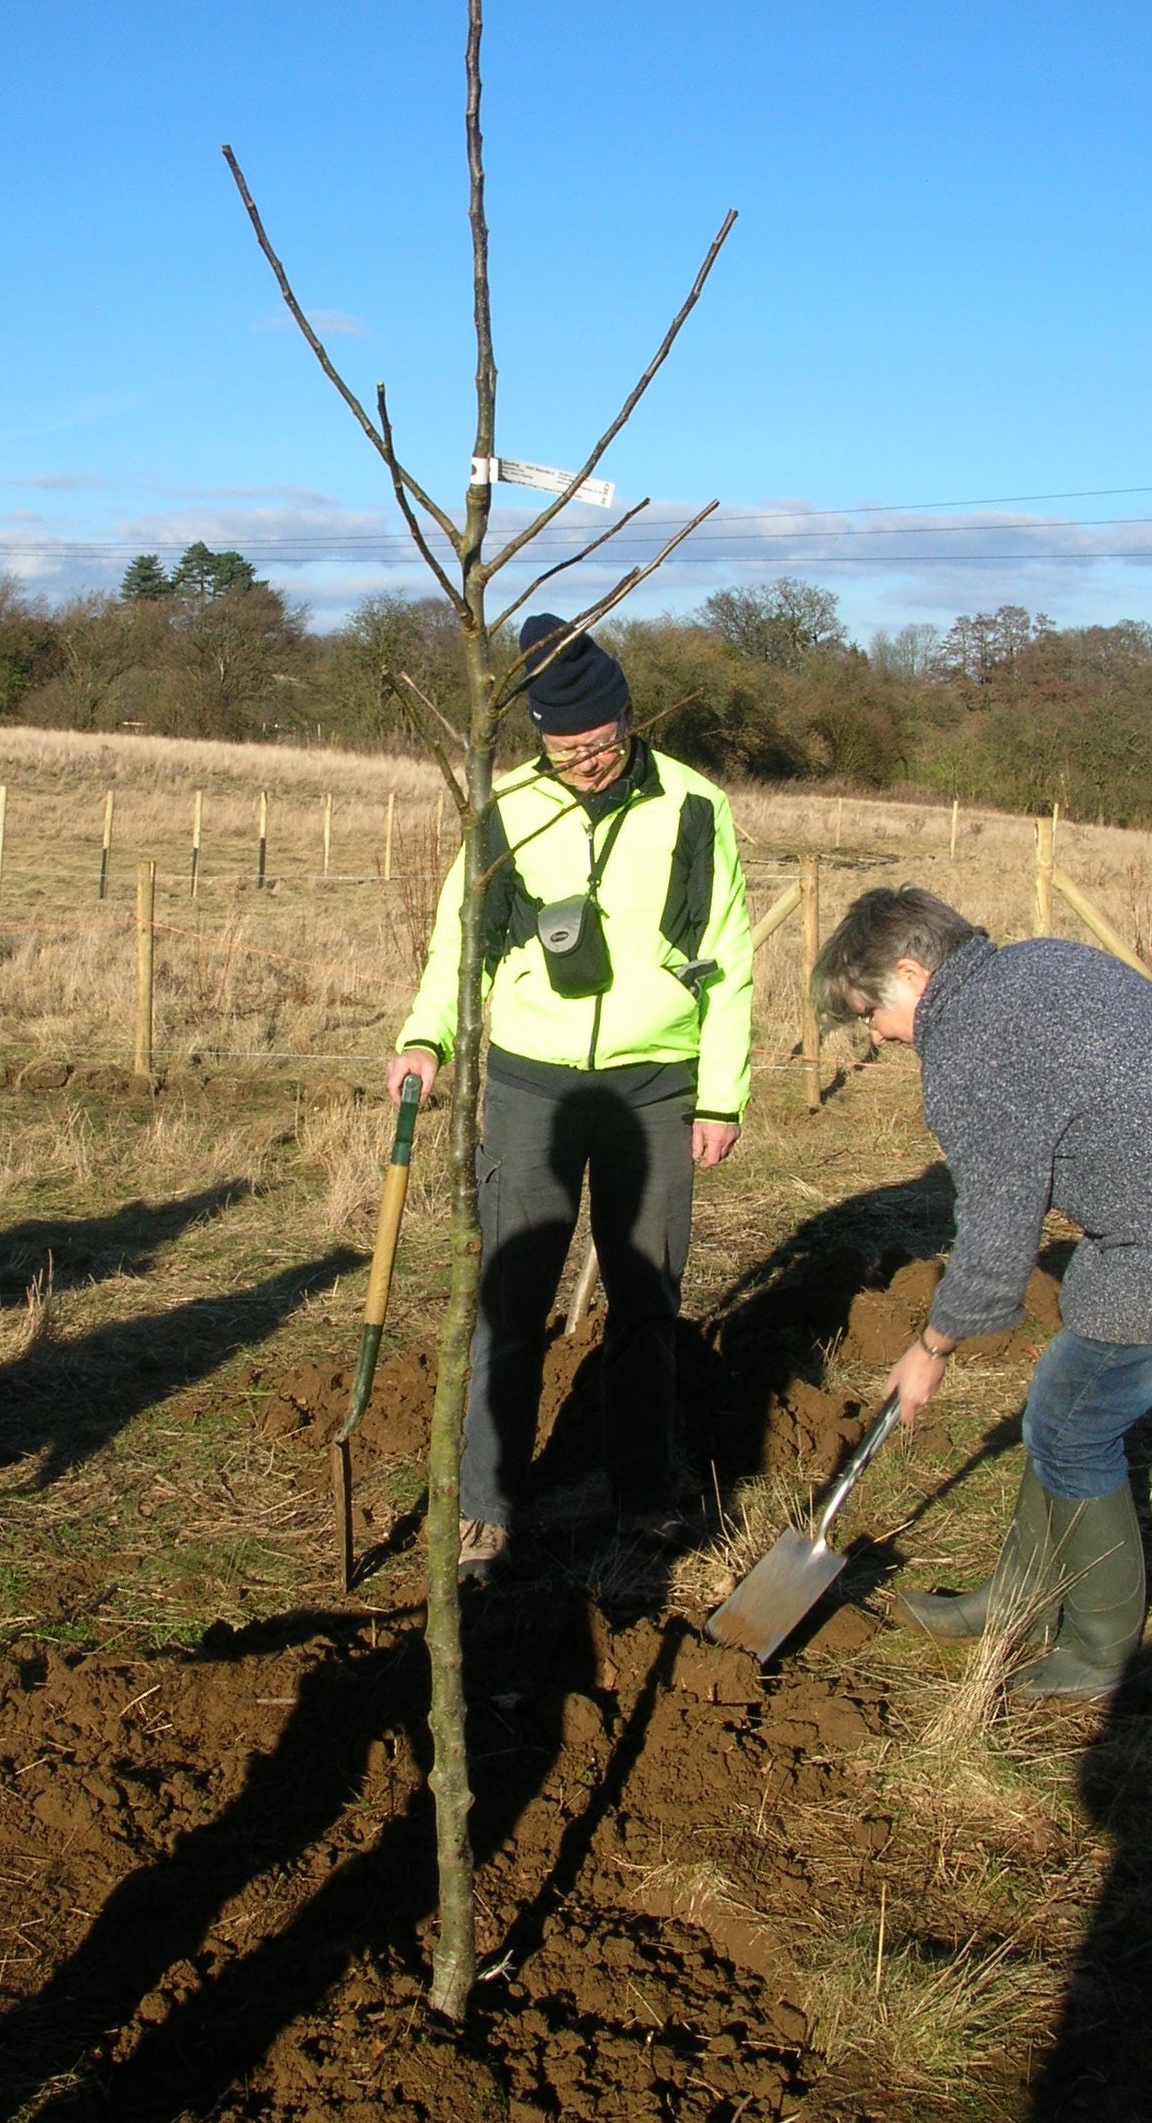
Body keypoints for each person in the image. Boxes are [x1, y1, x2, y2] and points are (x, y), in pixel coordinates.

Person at [811, 884, 1152, 1699]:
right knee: (1062, 1405)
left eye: (869, 1013)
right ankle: (1014, 1598)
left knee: (1070, 1424)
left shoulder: (969, 1049)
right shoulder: (1041, 961)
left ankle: (1099, 1655)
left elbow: (996, 1228)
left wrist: (931, 1348)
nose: (876, 1037)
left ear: (914, 973)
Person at [386, 612, 754, 1581]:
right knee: (509, 1298)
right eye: (561, 747)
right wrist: (425, 1036)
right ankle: (483, 1505)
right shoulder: (505, 808)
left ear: (628, 717)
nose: (583, 762)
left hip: (652, 1085)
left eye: (596, 742)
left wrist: (719, 1094)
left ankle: (639, 1502)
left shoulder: (694, 807)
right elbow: (458, 942)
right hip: (527, 1083)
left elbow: (727, 961)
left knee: (644, 1301)